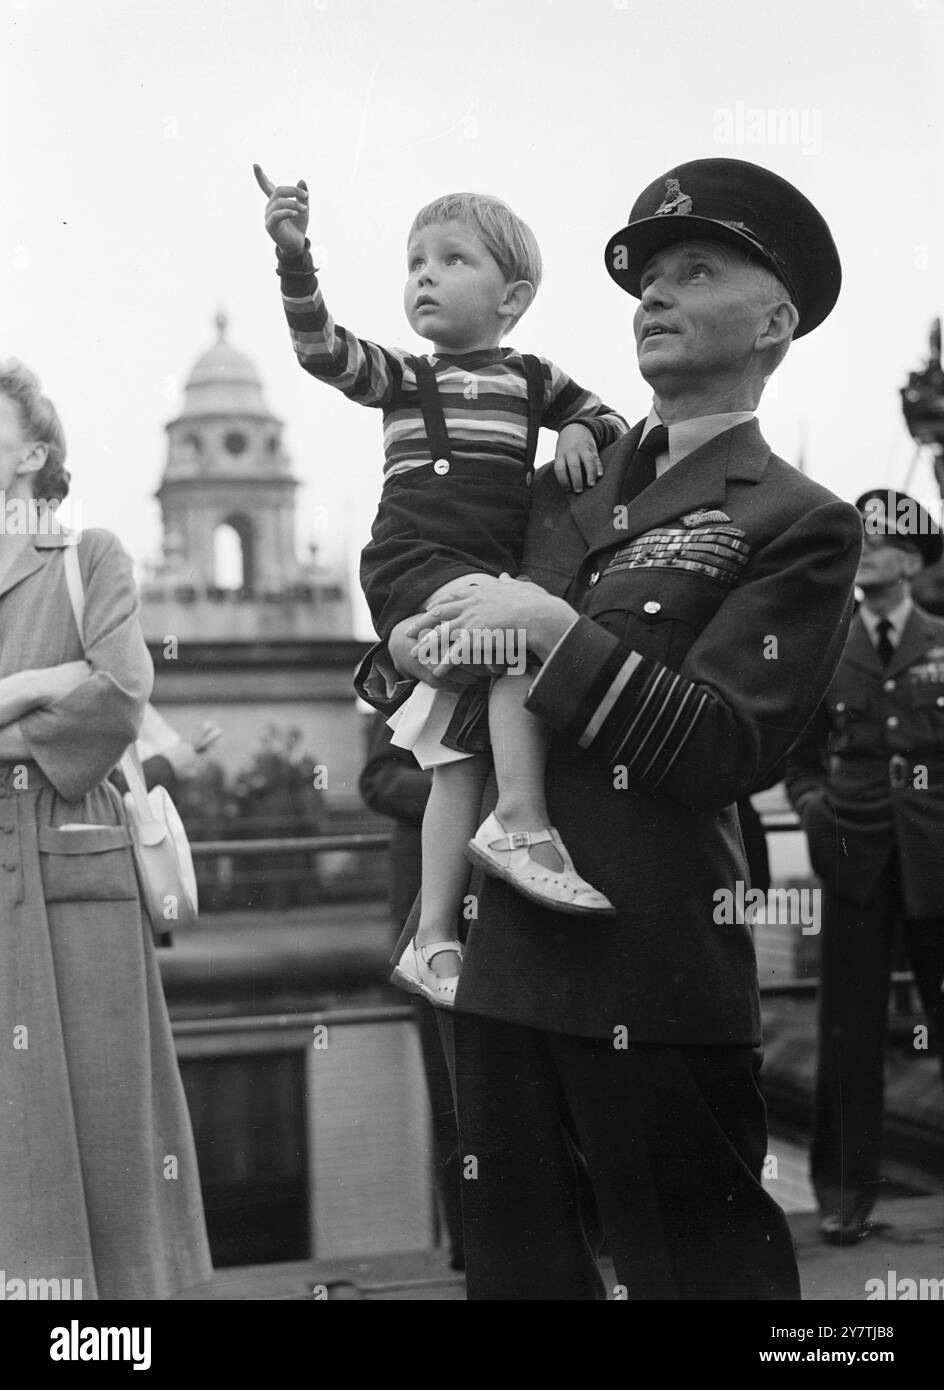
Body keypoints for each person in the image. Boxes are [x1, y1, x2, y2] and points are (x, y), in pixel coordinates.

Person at [359, 157, 863, 1299]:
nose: (653, 296)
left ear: (775, 320)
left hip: (649, 970)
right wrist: (395, 649)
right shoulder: (551, 489)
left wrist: (548, 626)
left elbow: (727, 746)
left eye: (693, 271)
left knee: (703, 1284)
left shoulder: (796, 522)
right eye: (644, 279)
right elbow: (416, 613)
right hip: (496, 976)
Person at [254, 168, 628, 1007]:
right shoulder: (401, 375)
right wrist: (295, 260)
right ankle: (523, 823)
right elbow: (322, 350)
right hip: (418, 561)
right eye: (415, 260)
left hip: (481, 577)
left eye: (452, 259)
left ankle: (432, 940)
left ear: (512, 297)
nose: (423, 274)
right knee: (524, 647)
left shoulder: (533, 379)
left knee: (457, 758)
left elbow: (609, 421)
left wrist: (574, 424)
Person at [0, 359, 211, 1299]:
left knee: (106, 1113)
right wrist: (49, 682)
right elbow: (91, 685)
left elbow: (122, 693)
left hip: (71, 845)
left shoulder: (90, 557)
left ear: (32, 453)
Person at [785, 488, 944, 1246]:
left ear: (911, 560)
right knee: (849, 1030)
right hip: (853, 860)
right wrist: (815, 809)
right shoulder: (823, 645)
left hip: (938, 867)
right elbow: (799, 754)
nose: (867, 546)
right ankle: (847, 1197)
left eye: (883, 539)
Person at [358, 711, 464, 1270]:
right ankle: (470, 1245)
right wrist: (464, 786)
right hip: (429, 916)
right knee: (449, 1087)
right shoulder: (416, 669)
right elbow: (378, 779)